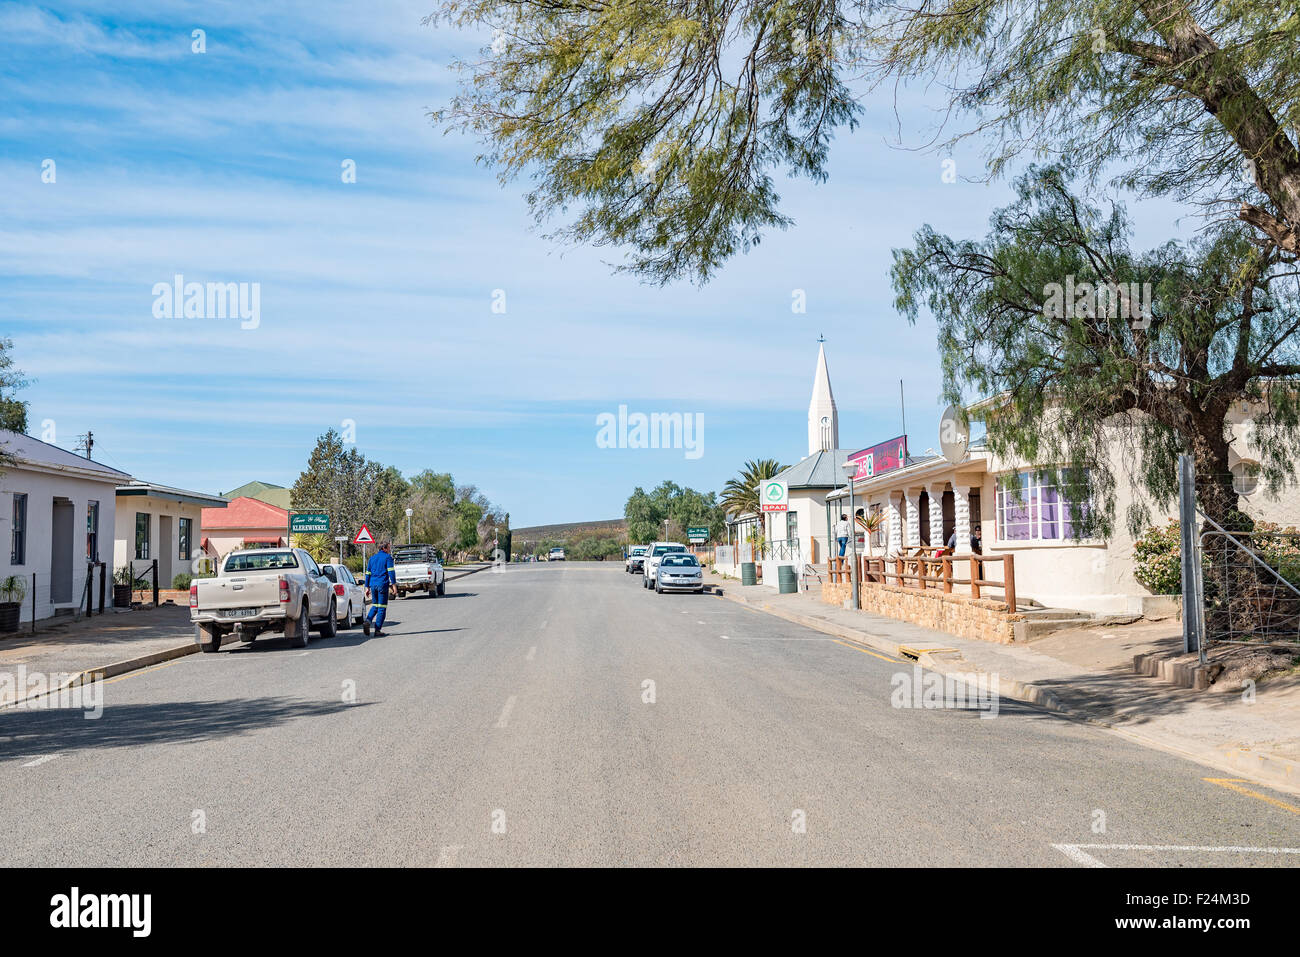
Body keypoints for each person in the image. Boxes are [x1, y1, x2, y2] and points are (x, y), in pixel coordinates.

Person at [365, 541, 396, 637]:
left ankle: (367, 621)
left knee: (375, 605)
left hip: (373, 585)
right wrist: (394, 585)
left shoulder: (372, 558)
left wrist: (367, 587)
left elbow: (368, 574)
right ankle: (377, 630)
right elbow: (391, 572)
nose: (390, 550)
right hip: (382, 584)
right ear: (384, 548)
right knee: (382, 607)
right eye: (389, 548)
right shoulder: (388, 558)